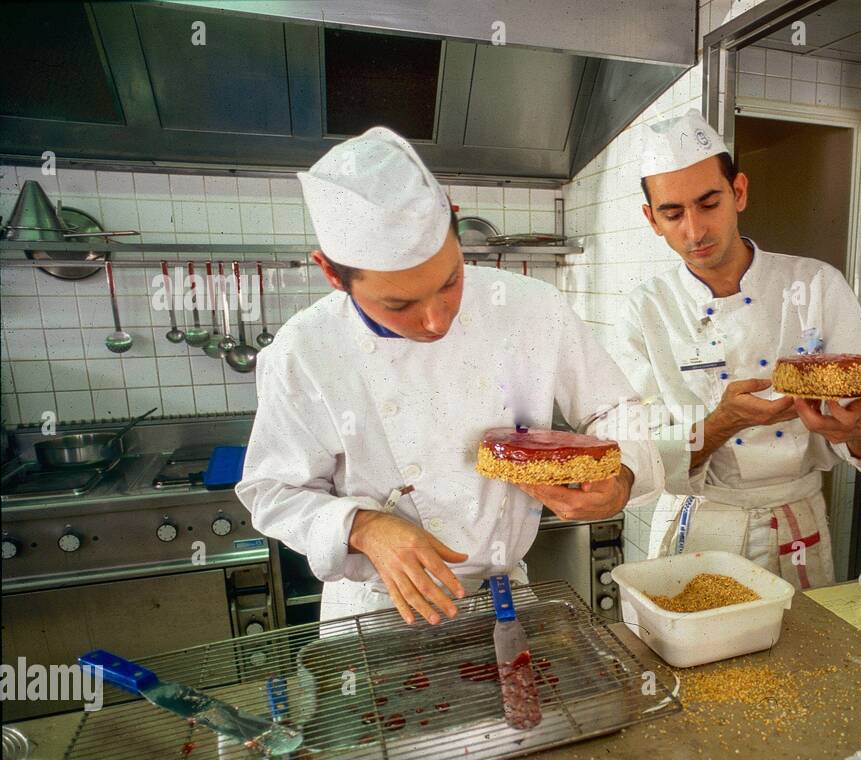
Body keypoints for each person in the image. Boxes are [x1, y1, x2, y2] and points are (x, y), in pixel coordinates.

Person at [236, 127, 663, 627]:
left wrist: (624, 474)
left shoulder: (531, 307)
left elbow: (616, 408)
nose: (437, 320)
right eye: (400, 304)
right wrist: (363, 526)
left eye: (450, 281)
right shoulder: (305, 350)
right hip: (378, 609)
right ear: (332, 275)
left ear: (456, 227)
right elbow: (272, 490)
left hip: (506, 598)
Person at [608, 109, 861, 588]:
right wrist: (725, 421)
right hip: (698, 527)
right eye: (673, 213)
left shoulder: (816, 284)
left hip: (796, 526)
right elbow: (640, 454)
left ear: (738, 191)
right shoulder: (645, 310)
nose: (695, 230)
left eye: (709, 203)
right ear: (651, 219)